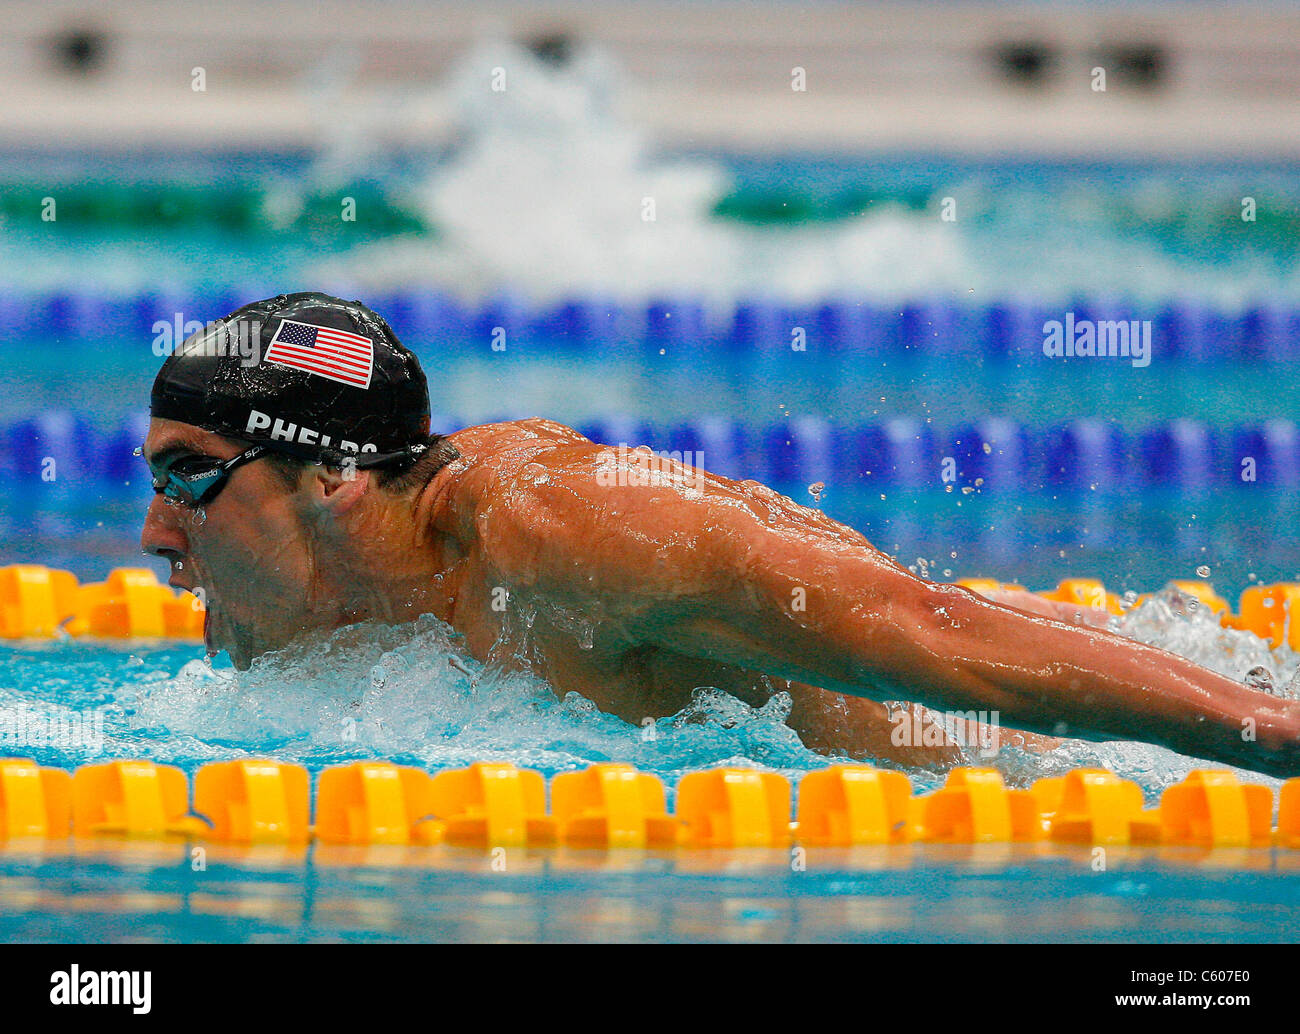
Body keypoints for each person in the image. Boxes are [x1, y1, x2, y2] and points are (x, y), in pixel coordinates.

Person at [141, 292, 1300, 774]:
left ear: (335, 477)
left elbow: (923, 626)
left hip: (1059, 761)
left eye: (188, 479)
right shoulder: (331, 616)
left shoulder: (566, 534)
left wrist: (1262, 728)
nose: (153, 533)